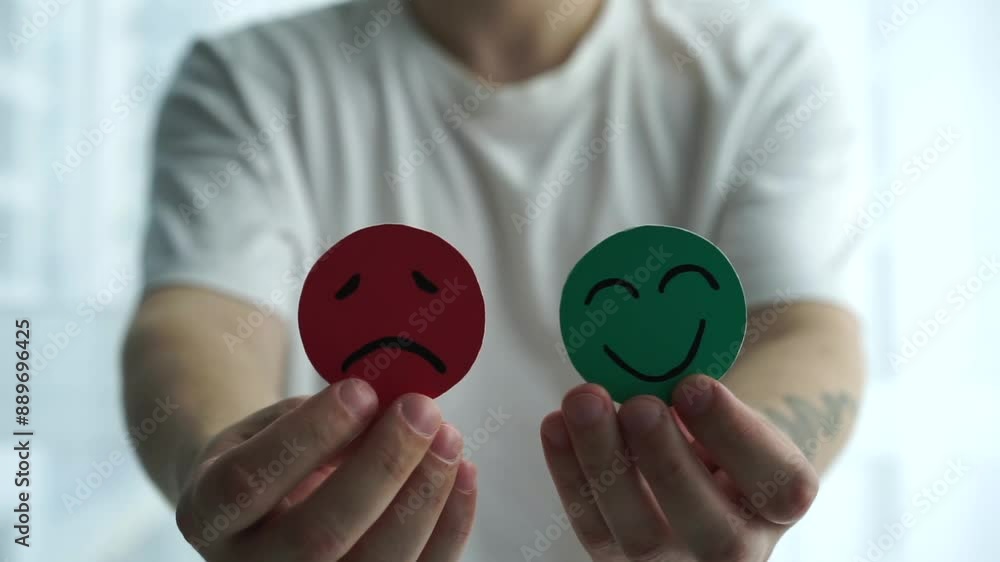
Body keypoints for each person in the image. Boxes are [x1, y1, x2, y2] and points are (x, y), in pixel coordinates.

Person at [122, 0, 868, 560]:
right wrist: (227, 472)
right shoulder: (248, 81)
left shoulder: (762, 67)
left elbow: (804, 323)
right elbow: (198, 313)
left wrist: (736, 475)